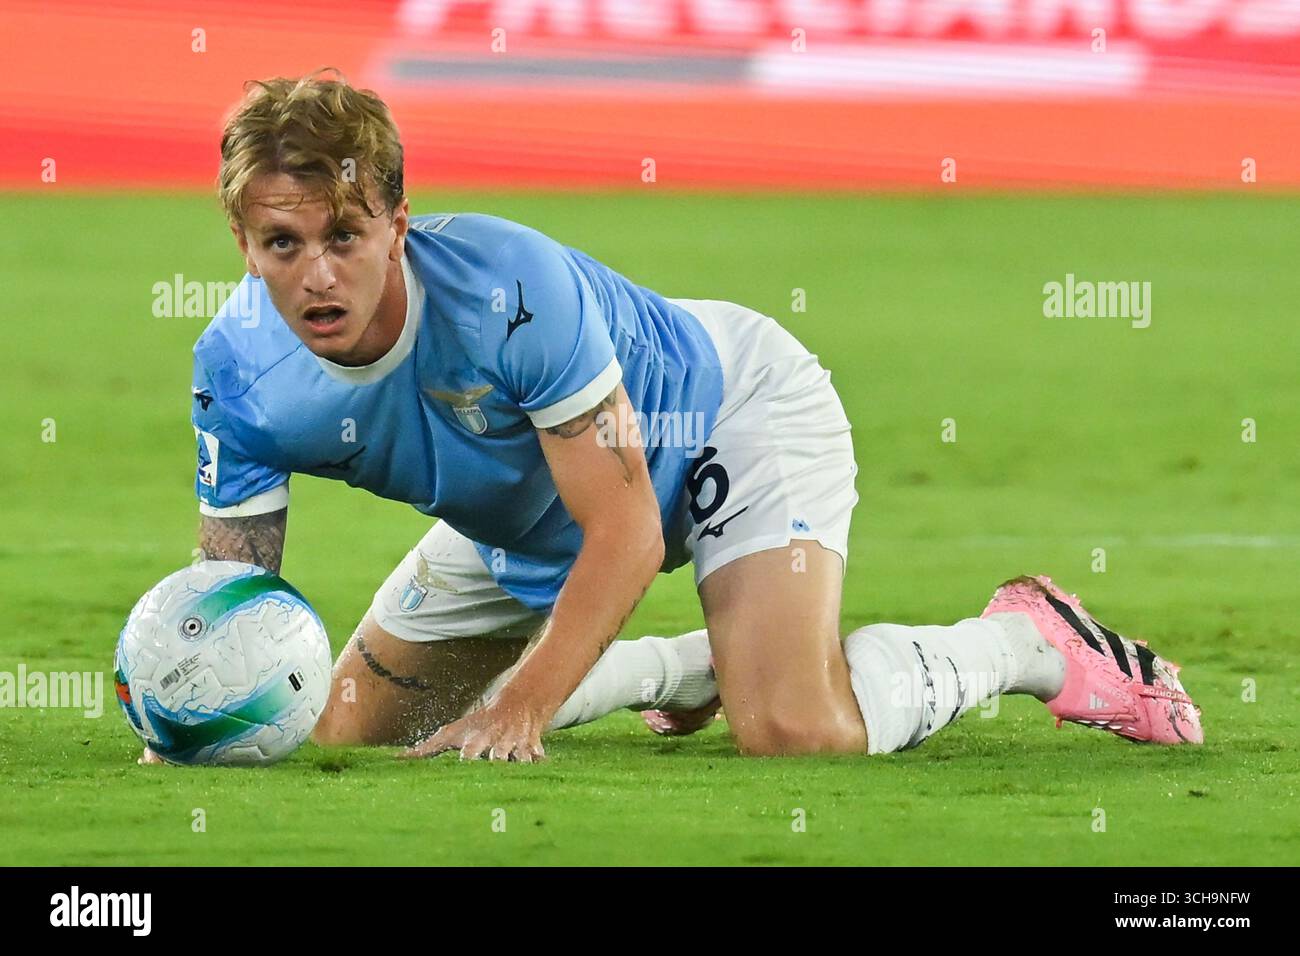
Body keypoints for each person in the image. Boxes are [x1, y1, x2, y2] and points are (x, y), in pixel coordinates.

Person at [153, 71, 1201, 764]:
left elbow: (626, 529)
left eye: (344, 234)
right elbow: (234, 596)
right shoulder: (237, 372)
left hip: (715, 419)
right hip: (523, 512)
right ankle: (698, 657)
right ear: (243, 243)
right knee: (352, 733)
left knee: (797, 730)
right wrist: (191, 709)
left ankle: (1024, 640)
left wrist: (523, 707)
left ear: (398, 221)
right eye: (282, 243)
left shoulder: (508, 292)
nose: (317, 274)